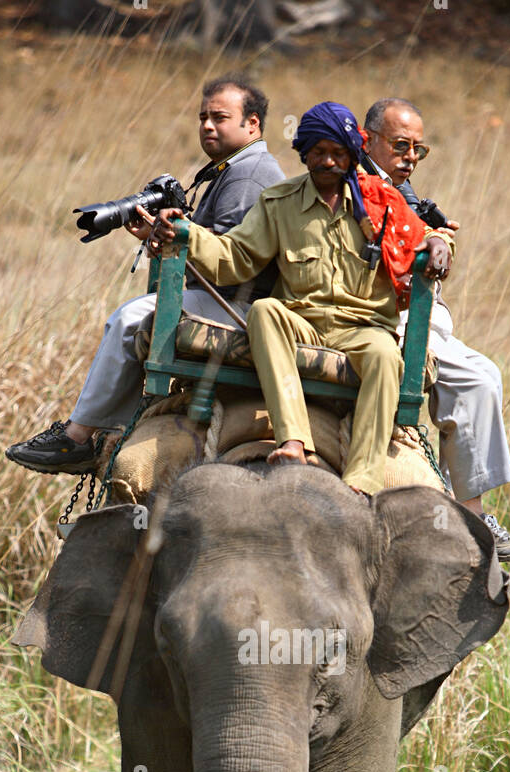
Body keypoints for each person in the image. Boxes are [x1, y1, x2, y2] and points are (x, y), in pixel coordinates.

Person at [151, 101, 448, 496]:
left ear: (351, 154)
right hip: (302, 322)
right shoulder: (279, 202)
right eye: (319, 152)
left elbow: (427, 235)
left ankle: (362, 481)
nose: (328, 161)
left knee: (384, 356)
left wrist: (440, 242)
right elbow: (234, 259)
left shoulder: (382, 202)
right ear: (304, 153)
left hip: (363, 328)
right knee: (264, 310)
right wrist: (188, 234)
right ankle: (293, 441)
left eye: (338, 153)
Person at [6, 75, 284, 475]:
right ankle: (103, 427)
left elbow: (226, 262)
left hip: (236, 304)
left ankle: (78, 438)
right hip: (226, 296)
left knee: (128, 318)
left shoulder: (249, 174)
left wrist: (171, 238)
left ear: (252, 124)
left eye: (220, 117)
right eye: (203, 117)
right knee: (134, 315)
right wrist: (160, 236)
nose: (207, 125)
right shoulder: (232, 169)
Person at [362, 97, 510, 561]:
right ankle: (472, 522)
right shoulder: (356, 184)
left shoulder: (399, 185)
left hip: (414, 310)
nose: (411, 157)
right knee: (471, 377)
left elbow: (418, 228)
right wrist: (430, 241)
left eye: (419, 149)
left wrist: (439, 235)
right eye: (401, 145)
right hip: (379, 313)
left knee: (485, 375)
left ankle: (473, 516)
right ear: (368, 139)